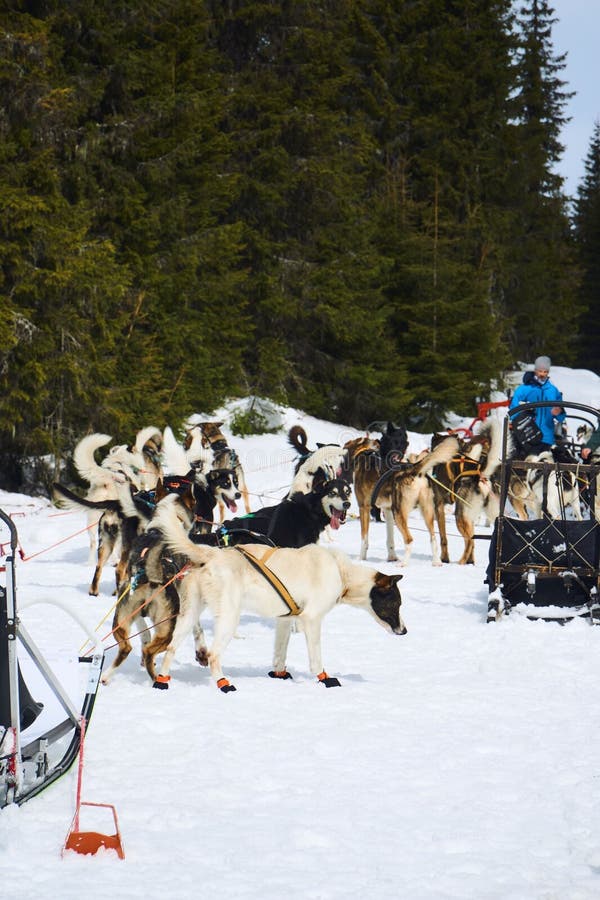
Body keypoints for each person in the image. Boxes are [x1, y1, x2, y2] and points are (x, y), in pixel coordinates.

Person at [509, 356, 565, 451]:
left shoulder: (553, 390)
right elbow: (513, 410)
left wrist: (559, 412)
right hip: (527, 436)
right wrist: (523, 422)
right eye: (540, 371)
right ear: (535, 370)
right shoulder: (524, 389)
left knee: (545, 464)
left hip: (546, 438)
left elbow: (561, 417)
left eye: (545, 372)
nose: (542, 374)